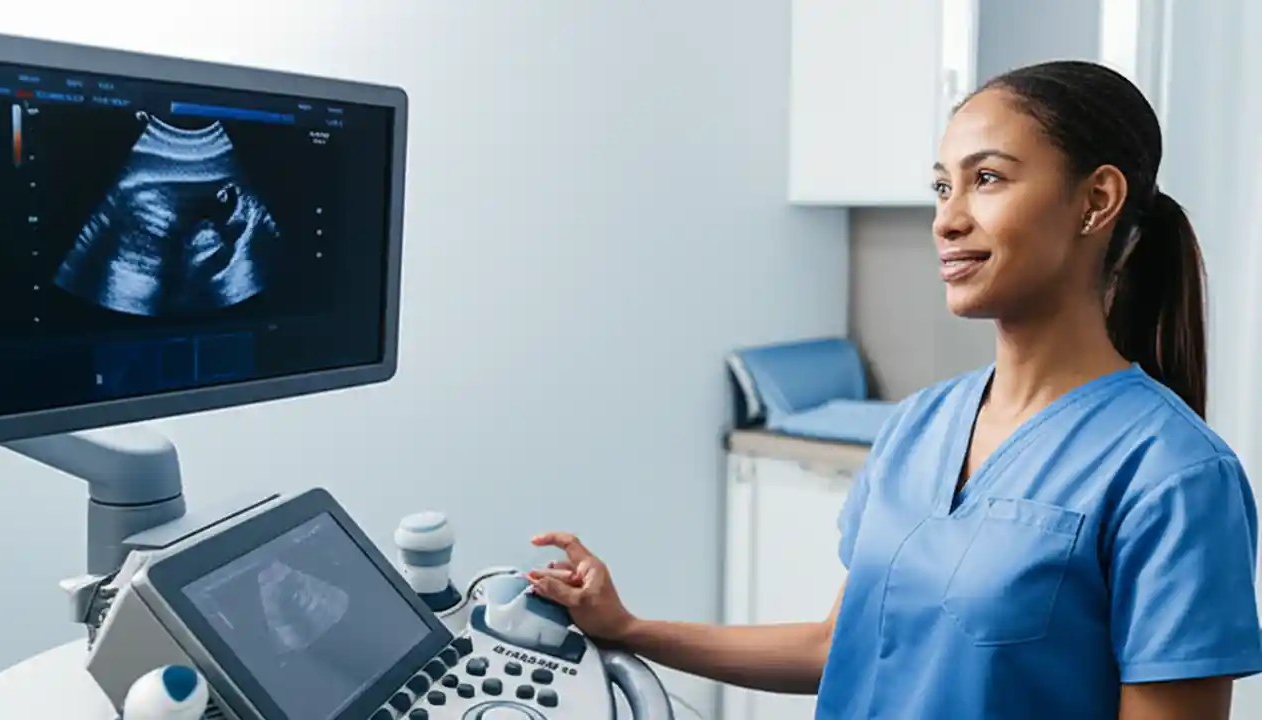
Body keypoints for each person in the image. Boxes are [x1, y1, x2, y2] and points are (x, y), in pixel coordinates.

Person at [526, 60, 1262, 719]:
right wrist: (629, 629)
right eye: (943, 186)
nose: (947, 217)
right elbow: (836, 648)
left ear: (1096, 201)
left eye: (988, 178)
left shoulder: (1174, 475)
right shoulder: (919, 424)